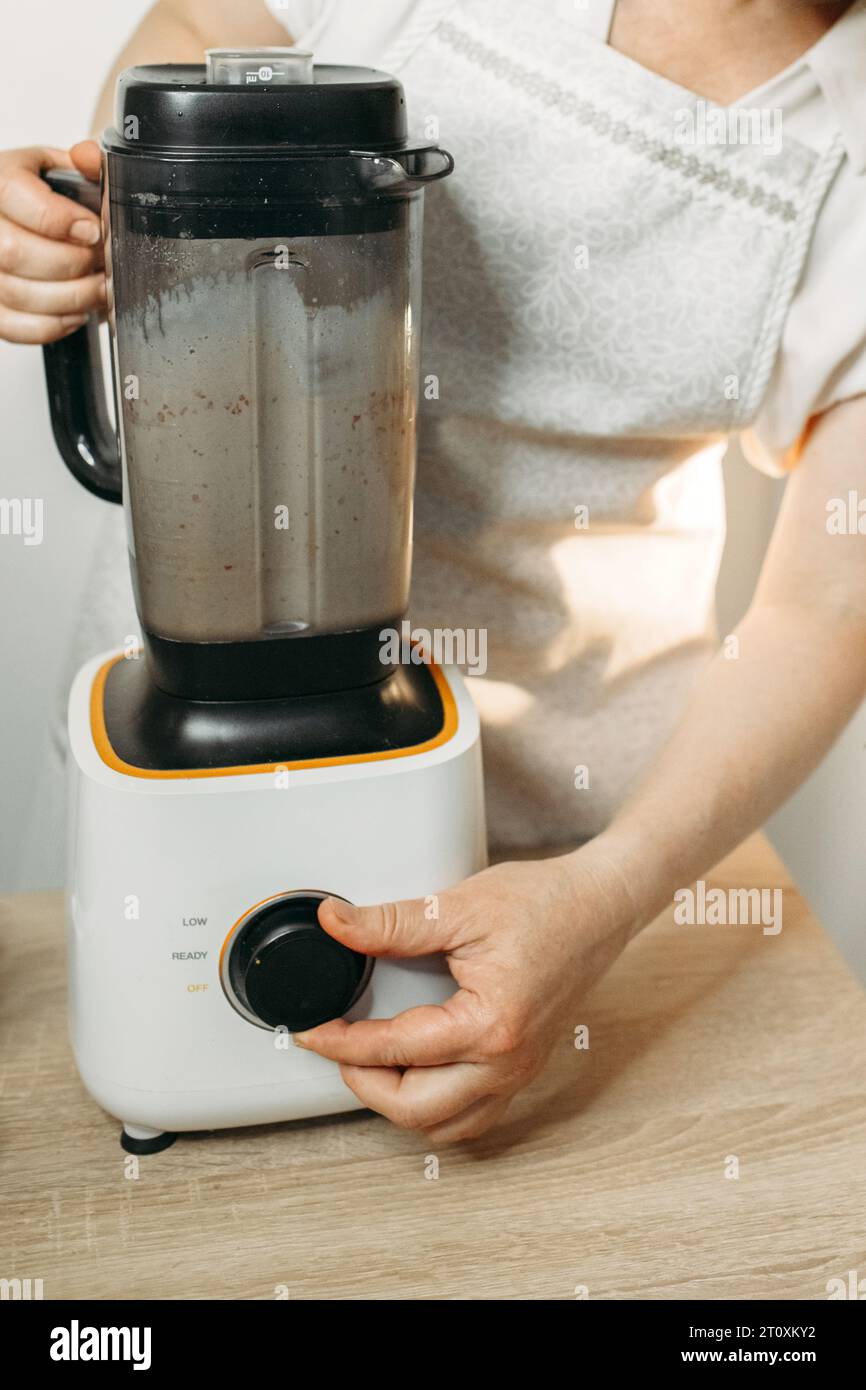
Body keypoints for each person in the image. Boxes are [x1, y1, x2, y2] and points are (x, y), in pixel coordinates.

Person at [2, 0, 865, 1142]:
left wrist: (603, 896)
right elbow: (197, 29)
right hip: (183, 692)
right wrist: (89, 216)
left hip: (546, 860)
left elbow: (818, 608)